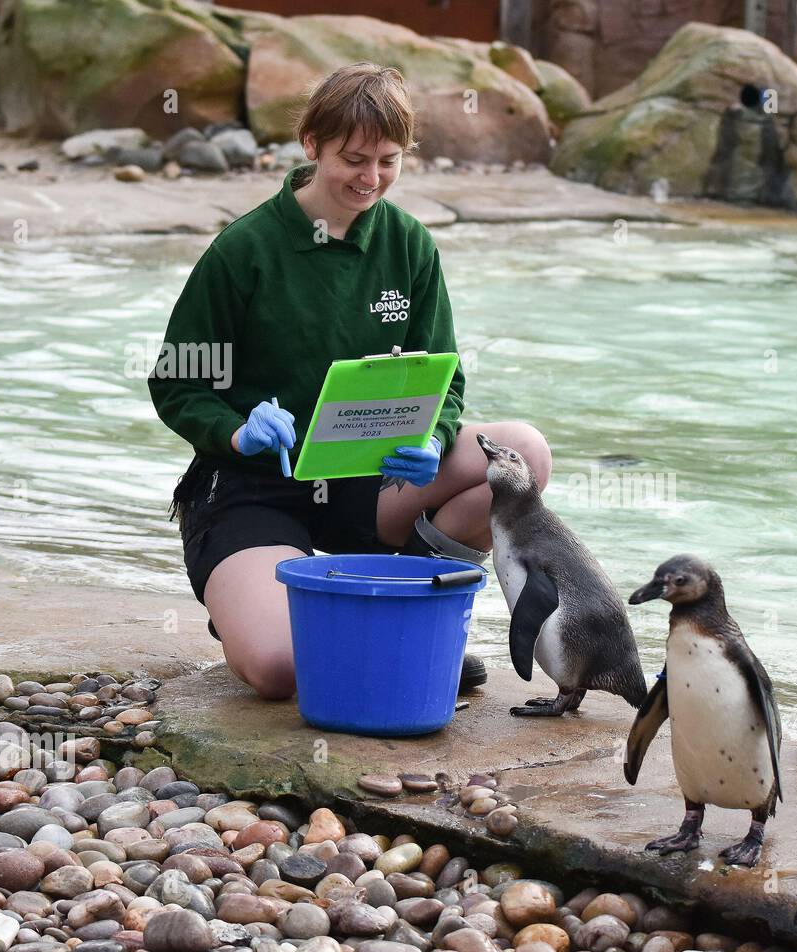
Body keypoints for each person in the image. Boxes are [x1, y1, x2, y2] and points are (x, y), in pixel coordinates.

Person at [149, 62, 551, 700]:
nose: (371, 179)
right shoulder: (243, 249)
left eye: (389, 161)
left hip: (371, 480)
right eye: (354, 159)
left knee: (522, 455)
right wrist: (235, 433)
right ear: (311, 144)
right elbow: (175, 384)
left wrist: (434, 436)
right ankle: (248, 610)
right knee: (284, 671)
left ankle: (413, 616)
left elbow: (444, 379)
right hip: (255, 490)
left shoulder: (410, 244)